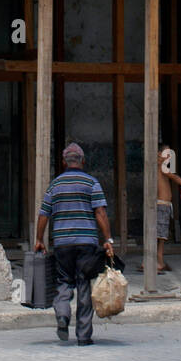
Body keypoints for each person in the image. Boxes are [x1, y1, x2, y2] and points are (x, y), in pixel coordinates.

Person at [35, 142, 114, 346]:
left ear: (64, 163)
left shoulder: (55, 185)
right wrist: (108, 239)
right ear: (83, 161)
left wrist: (39, 239)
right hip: (87, 243)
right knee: (83, 285)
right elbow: (101, 213)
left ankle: (62, 315)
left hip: (62, 243)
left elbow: (44, 214)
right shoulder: (92, 183)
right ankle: (84, 336)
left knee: (63, 282)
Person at [156, 144, 181, 272]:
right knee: (160, 236)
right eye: (167, 153)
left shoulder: (160, 167)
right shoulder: (160, 167)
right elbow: (175, 177)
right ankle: (158, 261)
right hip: (161, 204)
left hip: (163, 205)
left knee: (160, 235)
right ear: (158, 154)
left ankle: (157, 260)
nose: (169, 156)